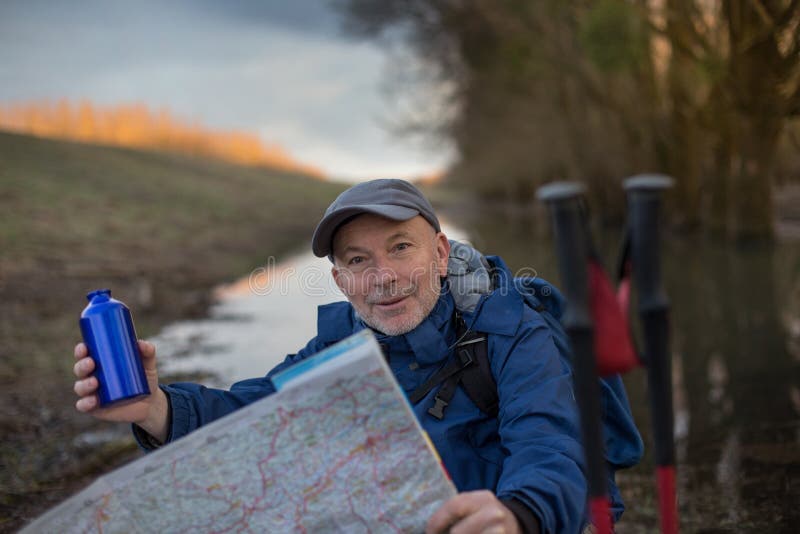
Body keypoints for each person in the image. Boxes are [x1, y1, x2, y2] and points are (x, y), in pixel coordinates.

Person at [73, 179, 634, 533]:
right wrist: (152, 407)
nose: (383, 278)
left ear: (440, 253)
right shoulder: (341, 342)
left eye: (401, 248)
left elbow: (553, 446)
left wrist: (518, 515)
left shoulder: (514, 329)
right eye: (359, 260)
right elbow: (259, 412)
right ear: (341, 281)